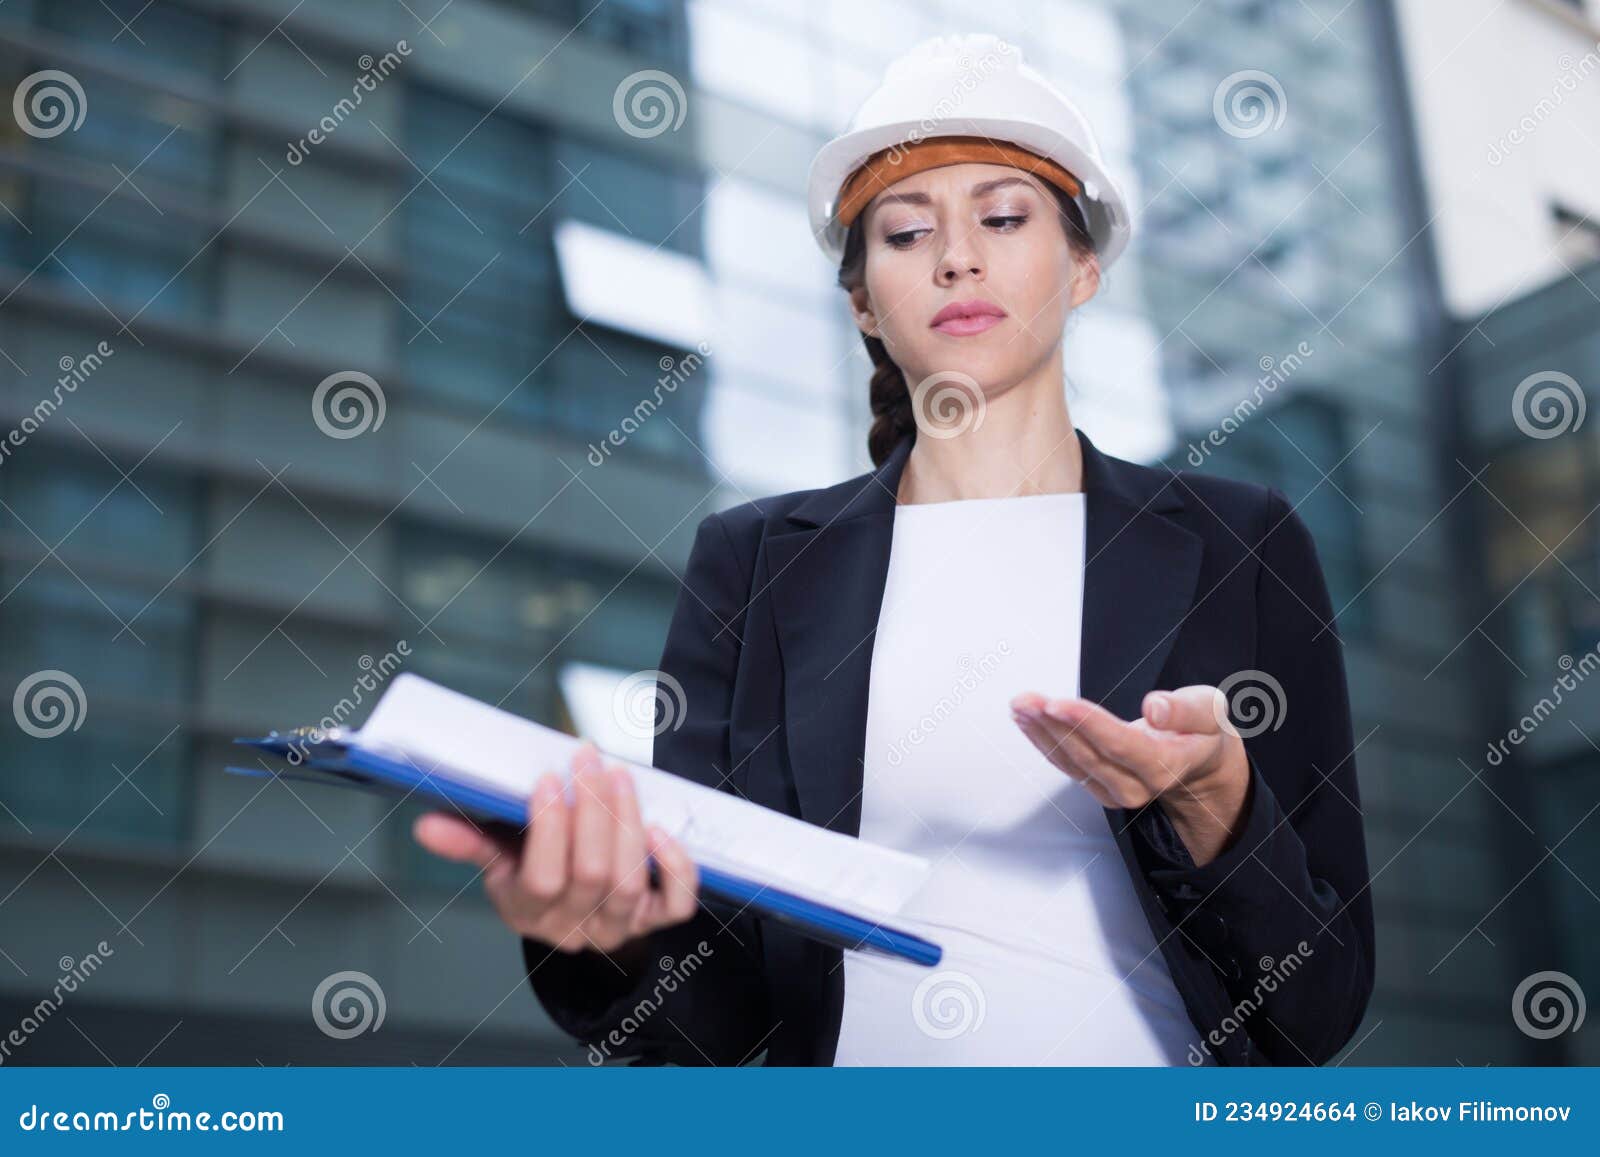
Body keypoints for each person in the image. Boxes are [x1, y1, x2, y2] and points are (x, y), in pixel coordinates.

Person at [413, 32, 1374, 1067]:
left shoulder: (1239, 542)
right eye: (908, 232)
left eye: (1003, 218)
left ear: (1084, 265)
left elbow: (1315, 1007)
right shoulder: (754, 563)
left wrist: (1216, 804)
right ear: (865, 302)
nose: (957, 256)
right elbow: (716, 1018)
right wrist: (602, 934)